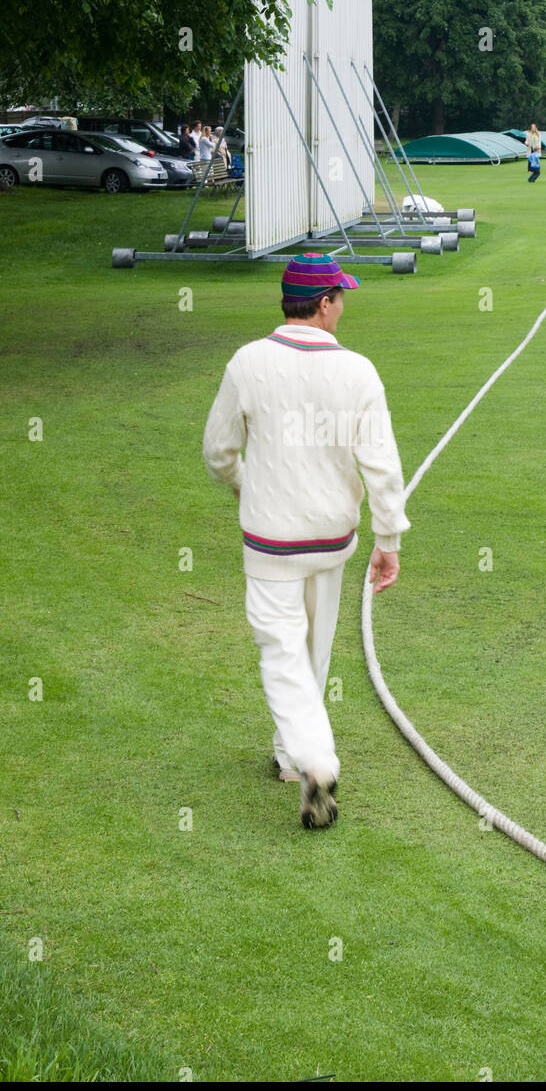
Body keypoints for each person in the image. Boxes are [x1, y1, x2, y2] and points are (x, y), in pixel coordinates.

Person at [202, 253, 409, 830]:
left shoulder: (247, 363)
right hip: (330, 534)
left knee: (282, 649)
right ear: (323, 304)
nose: (344, 307)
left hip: (271, 536)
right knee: (312, 645)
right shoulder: (358, 371)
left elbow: (218, 452)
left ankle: (310, 756)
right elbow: (383, 465)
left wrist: (246, 484)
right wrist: (388, 536)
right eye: (341, 298)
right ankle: (294, 756)